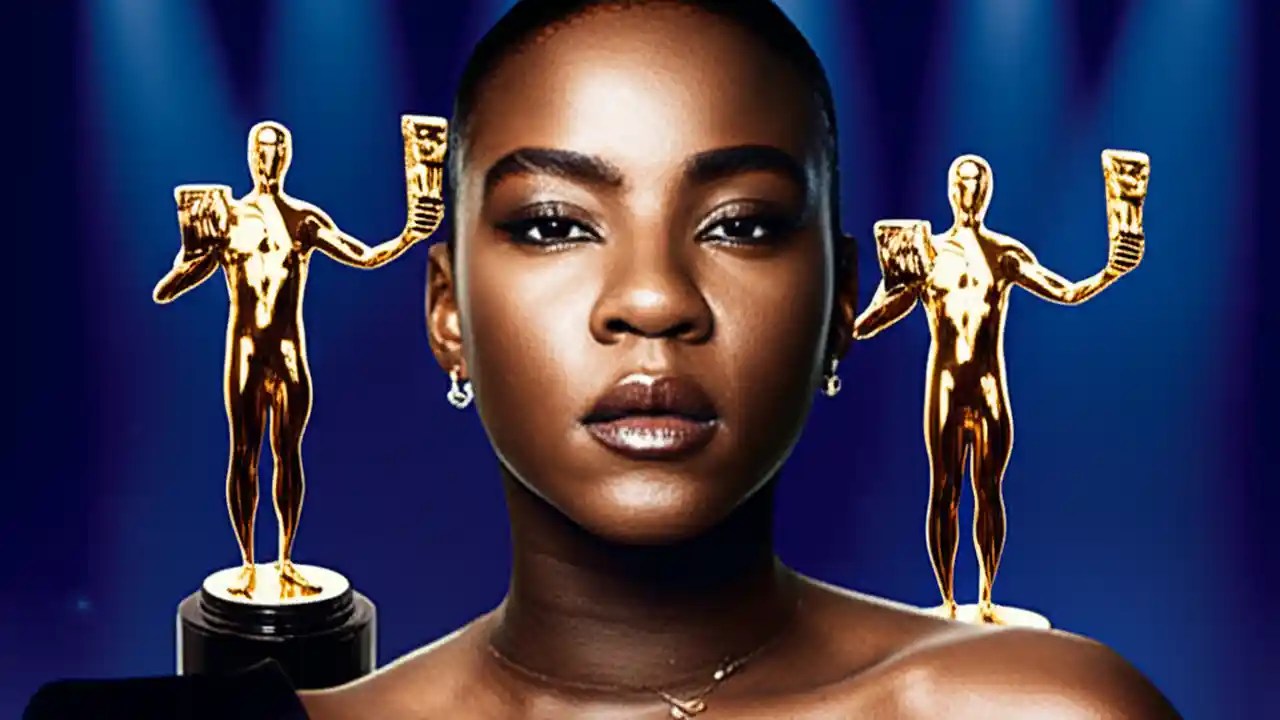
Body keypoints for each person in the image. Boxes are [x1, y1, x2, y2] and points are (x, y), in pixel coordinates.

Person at [28, 1, 1179, 717]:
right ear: (447, 313)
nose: (650, 299)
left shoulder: (1037, 710)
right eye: (551, 224)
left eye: (738, 223)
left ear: (836, 308)